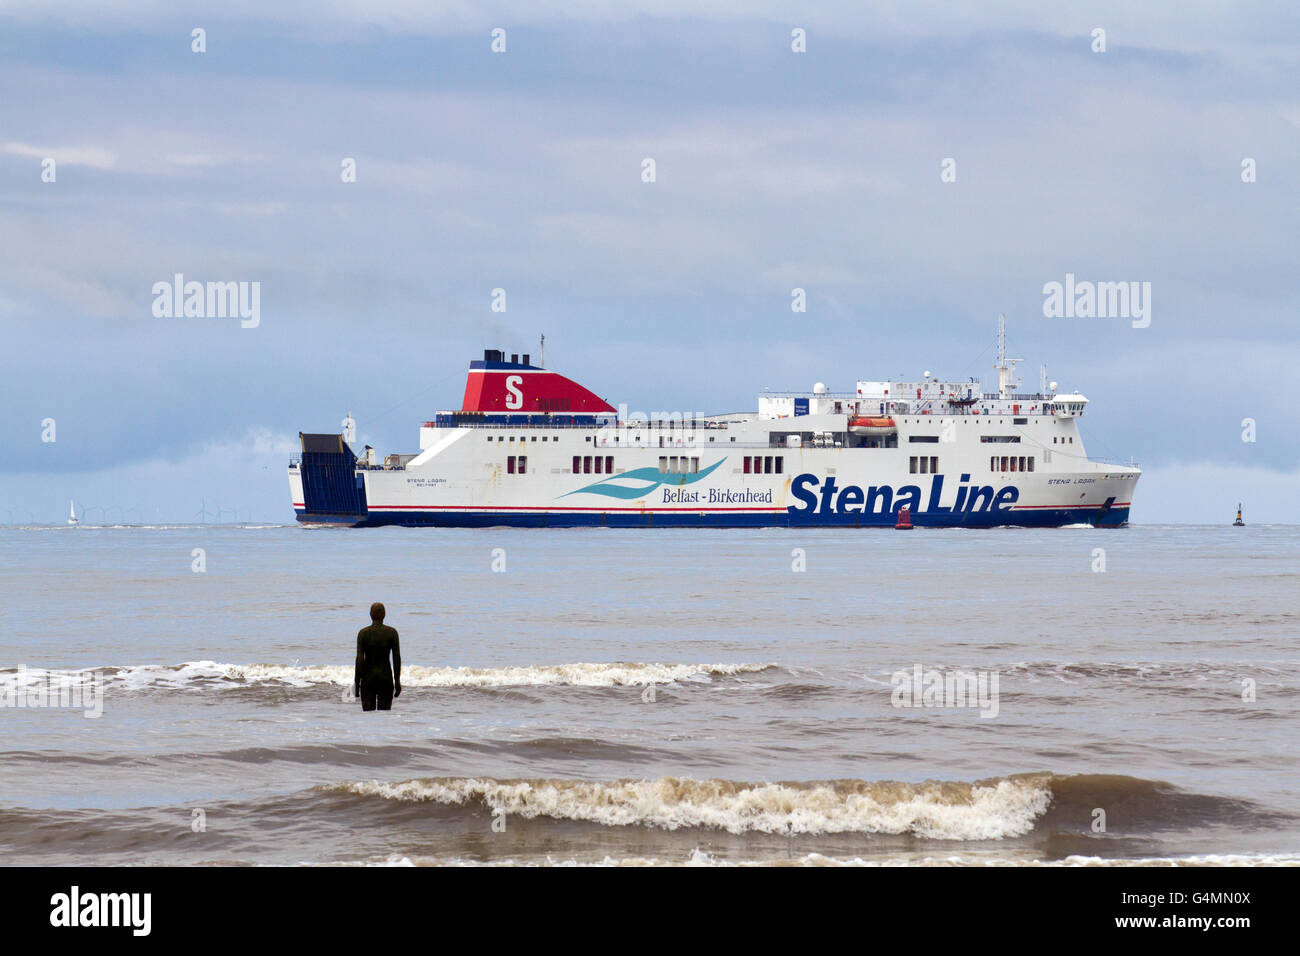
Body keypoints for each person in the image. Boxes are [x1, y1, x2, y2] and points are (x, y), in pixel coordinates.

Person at [354, 602, 401, 711]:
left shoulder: (363, 633)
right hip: (386, 679)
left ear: (370, 614)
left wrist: (357, 683)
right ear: (384, 614)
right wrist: (397, 681)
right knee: (384, 717)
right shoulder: (392, 633)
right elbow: (396, 659)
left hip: (367, 679)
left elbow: (359, 660)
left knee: (367, 717)